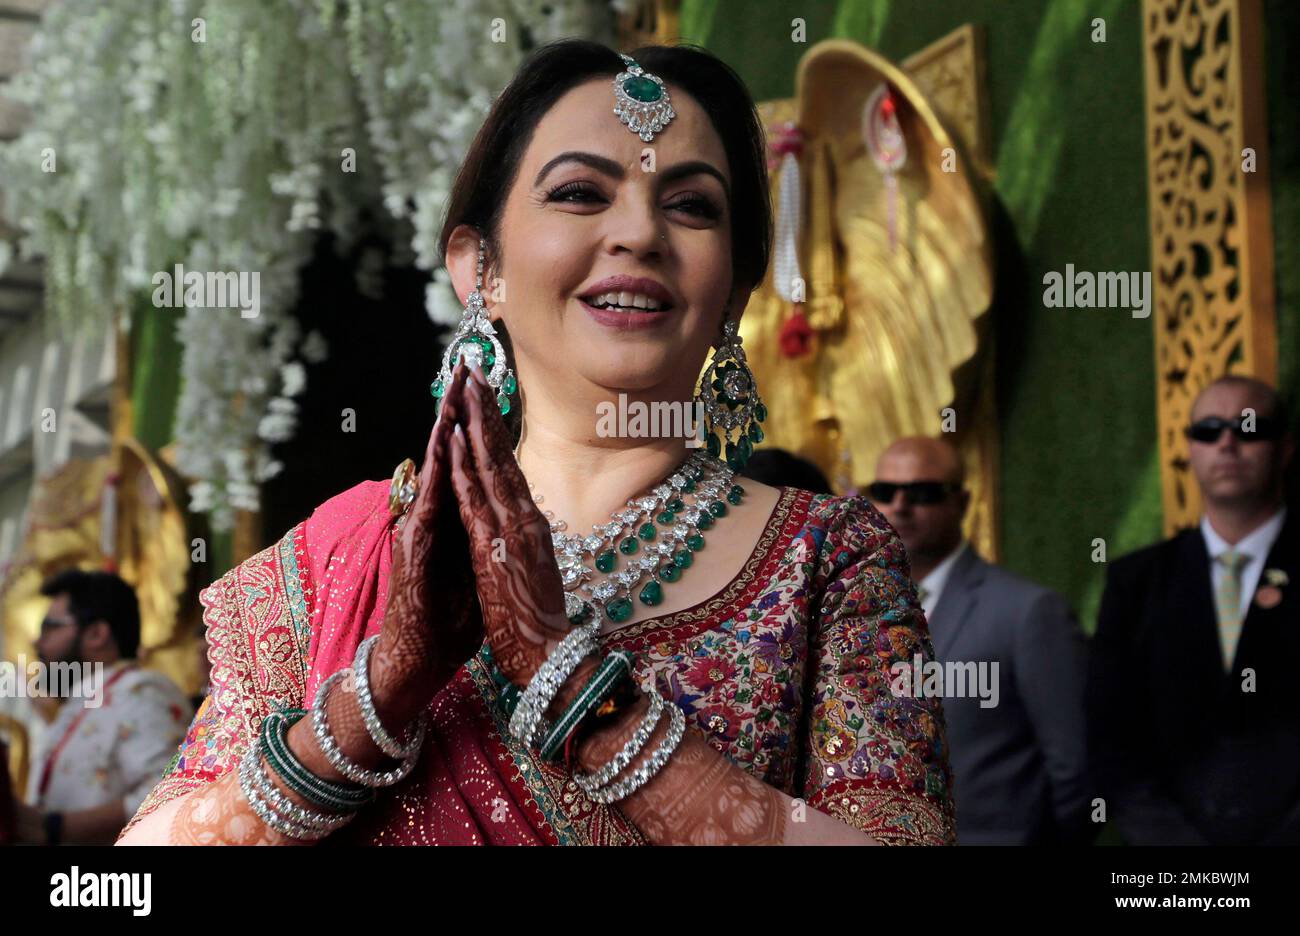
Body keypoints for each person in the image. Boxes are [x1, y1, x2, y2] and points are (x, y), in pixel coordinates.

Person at [118, 40, 954, 846]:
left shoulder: (825, 563)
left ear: (734, 291)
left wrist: (588, 701)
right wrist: (373, 698)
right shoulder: (342, 558)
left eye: (692, 205)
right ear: (480, 269)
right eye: (581, 193)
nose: (639, 233)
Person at [1090, 375, 1300, 845]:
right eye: (1208, 430)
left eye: (1248, 428)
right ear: (1190, 449)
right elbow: (1112, 738)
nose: (1227, 442)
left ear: (1284, 448)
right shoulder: (1135, 583)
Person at [872, 437, 1091, 844]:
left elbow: (1075, 767)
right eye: (884, 492)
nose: (899, 506)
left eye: (922, 493)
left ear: (963, 502)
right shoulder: (850, 611)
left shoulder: (1027, 612)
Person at [9, 570, 191, 845]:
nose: (37, 642)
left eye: (50, 627)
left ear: (96, 634)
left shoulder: (142, 692)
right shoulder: (82, 702)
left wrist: (56, 828)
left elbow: (170, 792)